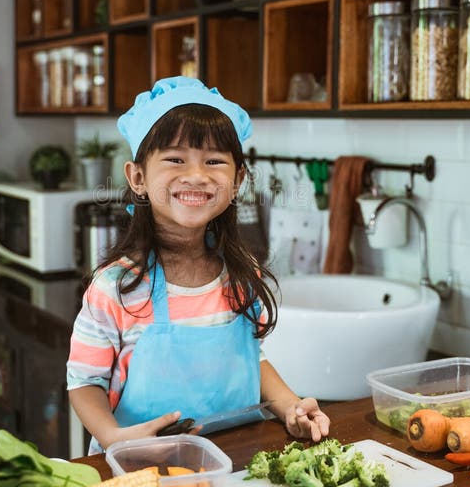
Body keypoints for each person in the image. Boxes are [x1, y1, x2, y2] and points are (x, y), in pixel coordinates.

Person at [67, 76, 330, 452]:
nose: (197, 176)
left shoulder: (241, 275)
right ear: (137, 177)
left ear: (238, 179)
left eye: (214, 161)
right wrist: (112, 437)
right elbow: (84, 381)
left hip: (237, 463)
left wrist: (291, 407)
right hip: (139, 468)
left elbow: (251, 358)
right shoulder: (115, 286)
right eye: (175, 159)